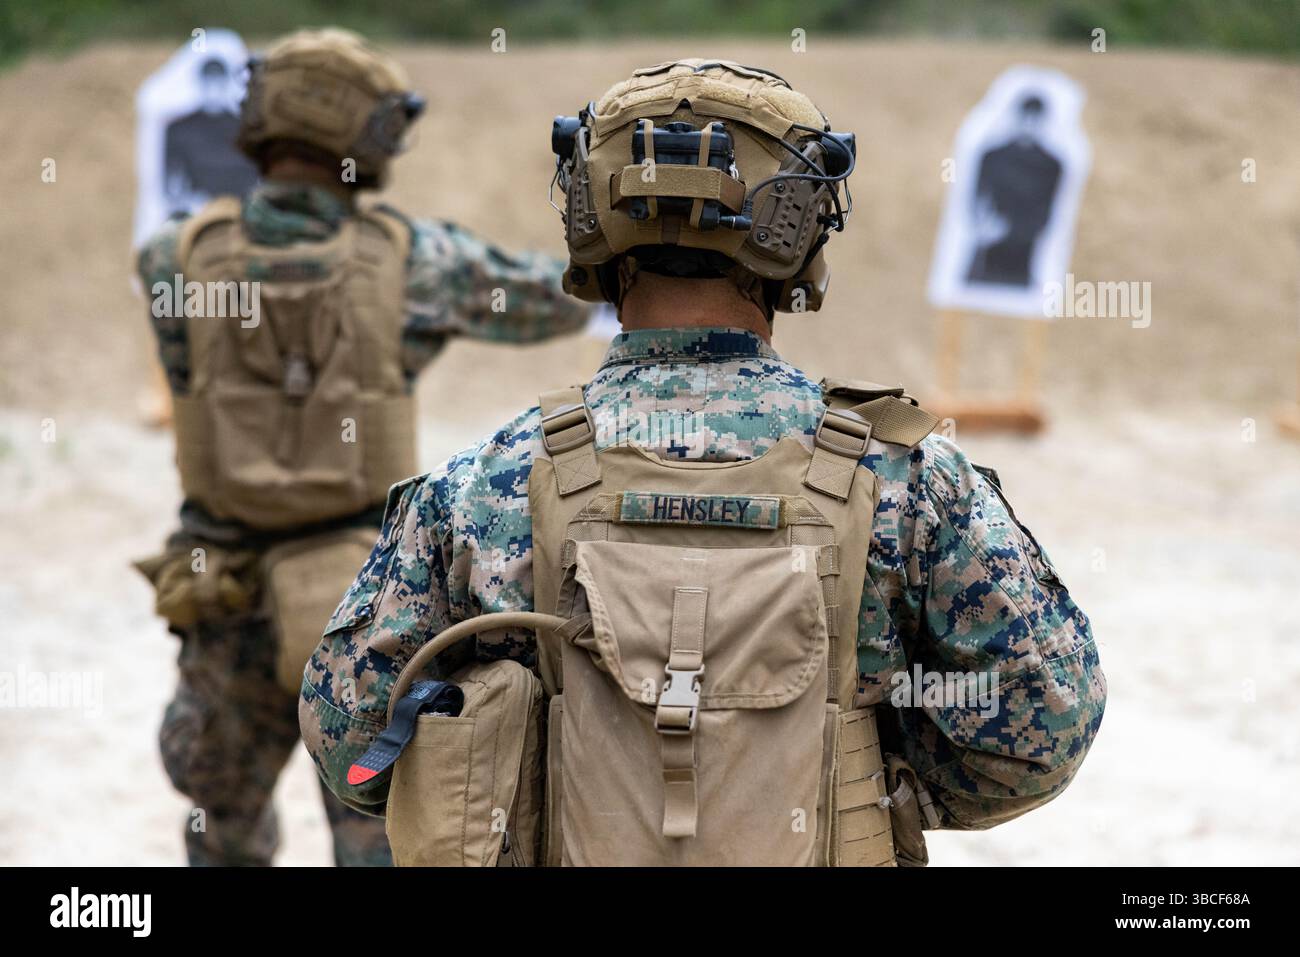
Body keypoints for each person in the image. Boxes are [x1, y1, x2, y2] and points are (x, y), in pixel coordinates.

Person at [301, 60, 1106, 866]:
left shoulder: (486, 481)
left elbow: (351, 740)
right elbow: (1043, 728)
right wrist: (861, 777)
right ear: (798, 229)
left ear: (591, 220)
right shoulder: (907, 478)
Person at [135, 28, 590, 867]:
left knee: (220, 824)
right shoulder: (412, 259)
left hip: (218, 584)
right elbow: (553, 300)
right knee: (374, 824)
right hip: (356, 597)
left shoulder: (178, 255)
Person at [965, 94, 1063, 287]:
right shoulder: (992, 156)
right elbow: (977, 196)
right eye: (1025, 117)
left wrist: (1011, 230)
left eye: (1034, 120)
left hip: (1020, 255)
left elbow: (1045, 212)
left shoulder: (1051, 166)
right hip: (986, 254)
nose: (1028, 125)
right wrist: (983, 225)